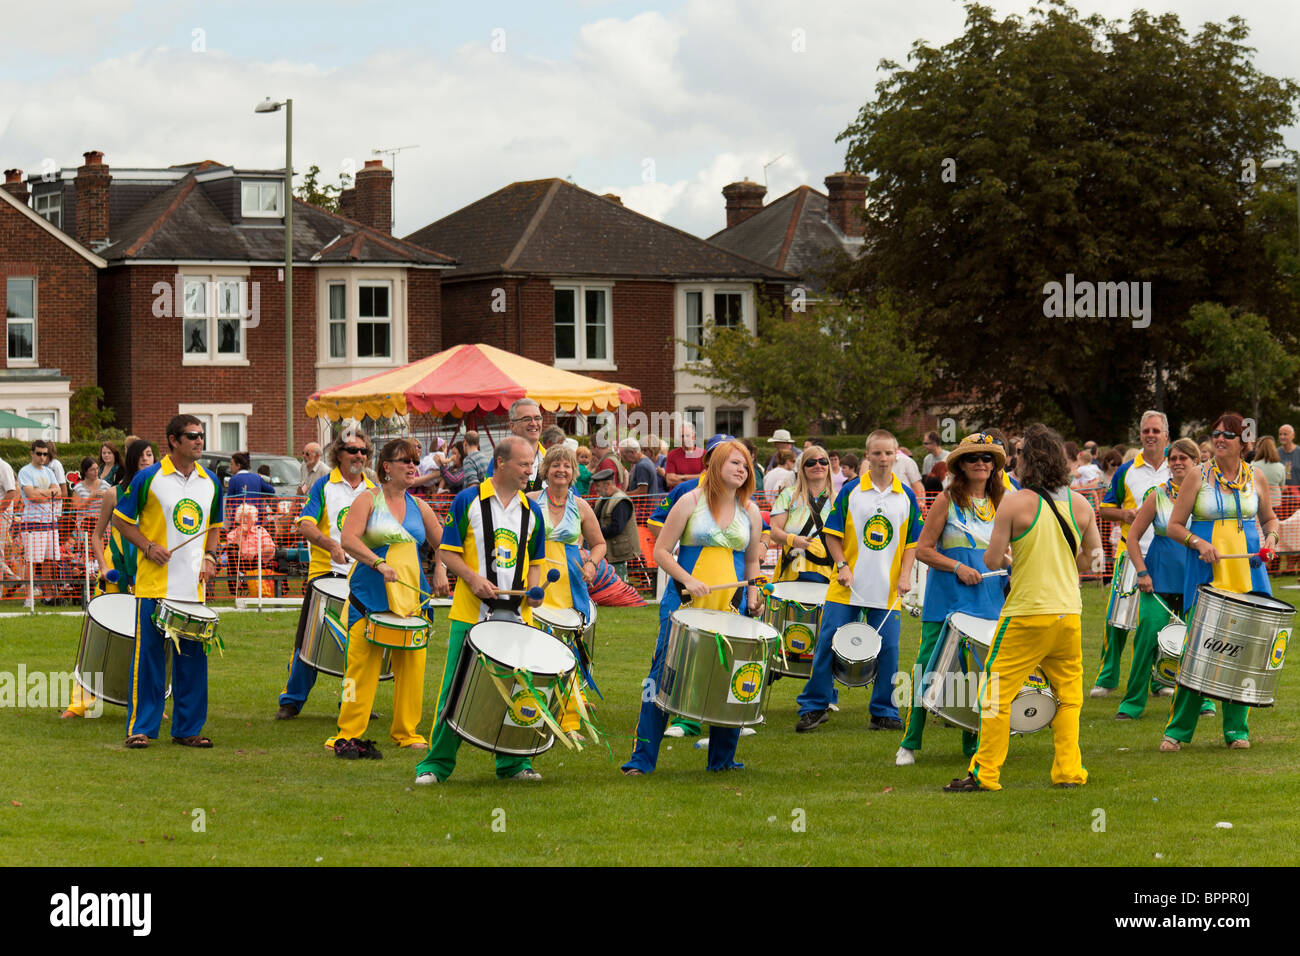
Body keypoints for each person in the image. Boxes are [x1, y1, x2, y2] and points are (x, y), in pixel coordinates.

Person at [944, 424, 1101, 792]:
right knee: (1069, 697)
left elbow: (993, 558)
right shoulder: (1080, 504)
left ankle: (986, 774)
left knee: (995, 694)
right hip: (1069, 613)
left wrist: (1015, 558)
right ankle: (1068, 771)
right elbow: (1093, 559)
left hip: (1028, 613)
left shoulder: (1014, 502)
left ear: (1029, 461)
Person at [622, 440, 764, 775]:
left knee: (728, 680)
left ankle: (722, 761)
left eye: (745, 464)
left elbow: (753, 559)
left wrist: (754, 595)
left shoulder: (752, 511)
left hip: (730, 607)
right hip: (684, 604)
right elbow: (661, 551)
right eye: (734, 462)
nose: (741, 469)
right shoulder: (690, 501)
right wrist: (687, 580)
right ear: (715, 466)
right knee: (663, 678)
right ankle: (641, 760)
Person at [415, 435, 547, 783]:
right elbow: (447, 551)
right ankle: (436, 764)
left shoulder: (533, 512)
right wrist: (473, 579)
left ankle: (514, 764)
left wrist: (535, 592)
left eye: (531, 464)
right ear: (501, 463)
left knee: (516, 690)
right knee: (456, 689)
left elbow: (535, 561)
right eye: (523, 464)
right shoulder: (467, 500)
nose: (529, 470)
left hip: (519, 618)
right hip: (470, 615)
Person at [1162, 413, 1279, 752]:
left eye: (1228, 434)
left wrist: (1270, 539)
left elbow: (1269, 518)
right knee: (1198, 649)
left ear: (1245, 442)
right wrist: (1198, 543)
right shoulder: (1198, 475)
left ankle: (1236, 730)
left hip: (1249, 572)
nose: (1219, 438)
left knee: (1243, 651)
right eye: (1215, 433)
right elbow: (1174, 525)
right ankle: (1177, 731)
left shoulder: (1254, 477)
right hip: (1207, 573)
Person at [328, 437, 450, 756]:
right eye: (405, 461)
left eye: (414, 461)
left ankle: (406, 732)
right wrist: (378, 562)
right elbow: (348, 539)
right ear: (386, 467)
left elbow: (445, 545)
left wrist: (440, 570)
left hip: (411, 600)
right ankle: (348, 732)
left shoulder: (419, 506)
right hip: (368, 597)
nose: (412, 467)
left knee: (412, 669)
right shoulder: (368, 499)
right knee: (360, 668)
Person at [795, 430, 921, 733]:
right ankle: (814, 706)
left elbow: (912, 543)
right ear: (868, 455)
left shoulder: (907, 496)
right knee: (826, 643)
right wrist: (842, 565)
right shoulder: (851, 491)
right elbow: (831, 534)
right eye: (877, 453)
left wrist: (905, 576)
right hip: (846, 585)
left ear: (896, 456)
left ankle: (883, 711)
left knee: (889, 648)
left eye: (888, 453)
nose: (883, 459)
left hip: (887, 588)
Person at [113, 416, 223, 748]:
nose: (199, 441)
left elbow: (214, 525)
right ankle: (141, 728)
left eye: (201, 435)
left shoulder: (212, 482)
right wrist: (147, 546)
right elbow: (121, 520)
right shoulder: (149, 478)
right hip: (154, 586)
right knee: (149, 661)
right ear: (173, 440)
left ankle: (188, 729)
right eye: (192, 436)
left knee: (192, 661)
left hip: (193, 590)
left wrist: (211, 557)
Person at [899, 433, 1007, 765]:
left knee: (979, 672)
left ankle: (972, 743)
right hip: (946, 600)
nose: (981, 463)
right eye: (973, 458)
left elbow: (1007, 551)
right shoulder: (946, 500)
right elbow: (924, 550)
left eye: (987, 458)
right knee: (927, 669)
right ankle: (910, 742)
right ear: (960, 464)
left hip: (989, 599)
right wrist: (957, 566)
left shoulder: (1002, 503)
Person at [275, 429, 378, 719]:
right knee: (309, 642)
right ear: (338, 455)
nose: (359, 455)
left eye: (363, 451)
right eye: (352, 450)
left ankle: (351, 704)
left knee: (357, 649)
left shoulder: (374, 490)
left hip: (361, 579)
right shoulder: (323, 486)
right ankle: (292, 700)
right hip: (325, 577)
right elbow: (305, 524)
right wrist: (332, 545)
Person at [63, 438, 155, 719]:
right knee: (98, 636)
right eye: (140, 456)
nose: (145, 460)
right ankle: (80, 702)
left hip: (147, 572)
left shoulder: (158, 494)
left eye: (150, 455)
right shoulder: (113, 494)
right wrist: (103, 566)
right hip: (115, 570)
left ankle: (146, 702)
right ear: (129, 460)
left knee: (148, 639)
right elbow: (96, 534)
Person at [1114, 438, 1199, 720]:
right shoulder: (1157, 495)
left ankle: (1204, 702)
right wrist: (1141, 572)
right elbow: (1133, 537)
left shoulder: (1206, 497)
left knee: (1197, 643)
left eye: (1183, 458)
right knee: (1147, 636)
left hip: (1195, 581)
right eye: (1173, 458)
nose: (1176, 463)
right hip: (1158, 579)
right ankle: (1132, 703)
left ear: (1195, 463)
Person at [529, 445, 607, 736]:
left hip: (572, 585)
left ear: (575, 472)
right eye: (555, 465)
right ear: (545, 470)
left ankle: (572, 709)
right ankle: (534, 704)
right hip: (537, 581)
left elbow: (599, 544)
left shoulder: (582, 506)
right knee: (536, 640)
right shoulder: (530, 501)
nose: (561, 470)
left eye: (567, 466)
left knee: (570, 645)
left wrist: (591, 563)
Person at [1091, 411, 1170, 698]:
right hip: (1130, 552)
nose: (1150, 435)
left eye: (1155, 431)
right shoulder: (1126, 470)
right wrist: (1125, 513)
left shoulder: (1179, 468)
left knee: (1161, 621)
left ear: (1166, 436)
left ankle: (1160, 679)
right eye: (1146, 431)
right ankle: (1107, 677)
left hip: (1166, 556)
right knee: (1117, 619)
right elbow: (1103, 508)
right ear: (1140, 435)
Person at [769, 445, 834, 584]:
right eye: (811, 462)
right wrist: (793, 540)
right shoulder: (788, 495)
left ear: (828, 466)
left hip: (828, 572)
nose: (818, 465)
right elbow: (774, 531)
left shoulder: (839, 499)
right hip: (793, 569)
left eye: (823, 461)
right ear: (802, 468)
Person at [18, 440, 61, 605]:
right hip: (33, 523)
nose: (42, 457)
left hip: (50, 522)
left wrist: (40, 492)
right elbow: (31, 496)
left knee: (50, 560)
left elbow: (58, 492)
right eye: (39, 453)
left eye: (45, 454)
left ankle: (48, 595)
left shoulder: (50, 471)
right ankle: (29, 599)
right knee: (32, 561)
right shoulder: (25, 471)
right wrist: (48, 492)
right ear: (32, 453)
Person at [486, 399, 547, 491]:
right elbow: (488, 495)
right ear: (512, 426)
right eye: (526, 419)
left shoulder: (553, 461)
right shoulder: (502, 461)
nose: (534, 423)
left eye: (537, 418)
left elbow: (572, 499)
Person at [590, 468, 637, 581]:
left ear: (608, 484)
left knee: (619, 586)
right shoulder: (601, 499)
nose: (595, 489)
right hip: (607, 553)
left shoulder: (621, 501)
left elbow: (616, 528)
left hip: (618, 554)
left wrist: (594, 534)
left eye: (598, 486)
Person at [665, 422, 705, 489]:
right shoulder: (672, 455)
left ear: (694, 436)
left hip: (697, 496)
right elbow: (669, 481)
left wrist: (682, 477)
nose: (684, 439)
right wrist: (697, 477)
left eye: (687, 436)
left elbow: (706, 478)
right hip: (677, 496)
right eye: (682, 436)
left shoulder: (703, 454)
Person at [1251, 436, 1284, 508]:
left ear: (1260, 449)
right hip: (1275, 503)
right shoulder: (1281, 467)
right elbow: (1282, 486)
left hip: (1258, 503)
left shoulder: (1253, 464)